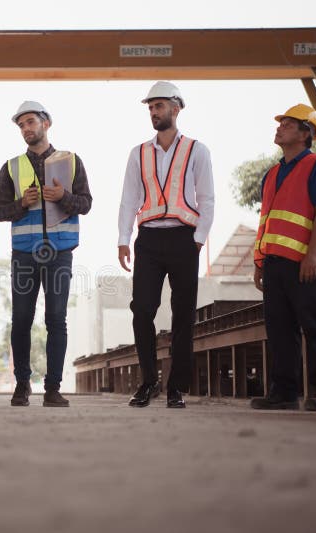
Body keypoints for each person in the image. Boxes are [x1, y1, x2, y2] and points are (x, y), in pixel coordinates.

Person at [117, 81, 215, 409]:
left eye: (158, 106)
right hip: (149, 240)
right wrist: (123, 240)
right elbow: (129, 199)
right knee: (142, 310)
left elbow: (207, 199)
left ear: (176, 108)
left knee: (183, 315)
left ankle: (177, 388)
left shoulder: (197, 150)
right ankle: (149, 382)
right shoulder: (139, 153)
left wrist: (199, 240)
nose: (153, 112)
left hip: (185, 239)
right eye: (150, 107)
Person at [0, 101, 92, 407]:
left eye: (31, 122)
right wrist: (21, 203)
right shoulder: (11, 167)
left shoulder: (72, 161)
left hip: (60, 252)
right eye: (21, 125)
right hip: (24, 254)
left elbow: (86, 204)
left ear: (46, 123)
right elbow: (0, 212)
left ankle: (52, 388)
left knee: (56, 318)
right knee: (21, 319)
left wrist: (64, 197)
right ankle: (22, 384)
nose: (26, 128)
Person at [250, 104, 316, 411]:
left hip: (304, 262)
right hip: (274, 263)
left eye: (287, 124)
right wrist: (259, 262)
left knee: (314, 325)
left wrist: (312, 255)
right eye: (280, 124)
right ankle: (285, 392)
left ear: (306, 133)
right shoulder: (272, 174)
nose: (279, 128)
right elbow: (266, 221)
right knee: (279, 329)